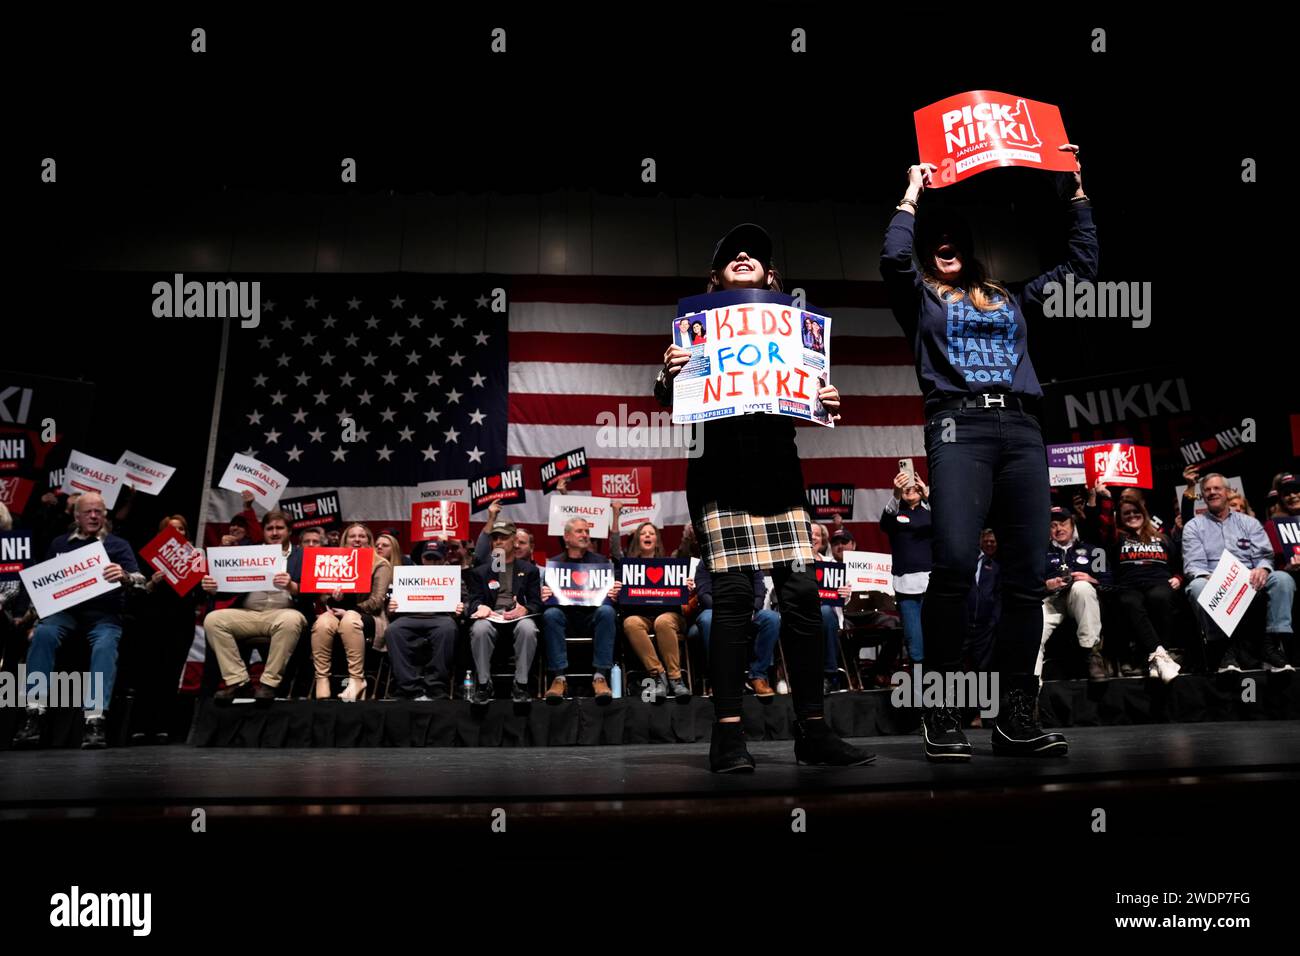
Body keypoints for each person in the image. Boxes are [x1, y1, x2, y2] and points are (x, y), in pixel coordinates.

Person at [881, 146, 1093, 760]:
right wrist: (912, 194)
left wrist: (1075, 195)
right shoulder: (920, 297)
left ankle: (1014, 718)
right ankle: (943, 712)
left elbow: (1082, 267)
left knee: (1026, 579)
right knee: (951, 564)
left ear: (968, 249)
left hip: (1024, 430)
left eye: (955, 238)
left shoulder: (1011, 297)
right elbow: (894, 256)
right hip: (958, 427)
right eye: (935, 239)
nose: (944, 244)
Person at [656, 222, 874, 771]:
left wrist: (823, 396)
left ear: (771, 275)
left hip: (780, 476)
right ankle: (727, 737)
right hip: (720, 476)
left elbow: (811, 399)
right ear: (716, 277)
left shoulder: (794, 331)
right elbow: (673, 399)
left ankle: (814, 732)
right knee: (731, 602)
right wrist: (668, 376)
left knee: (801, 597)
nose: (745, 256)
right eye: (733, 254)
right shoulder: (695, 332)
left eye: (754, 254)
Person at [13, 492, 145, 749]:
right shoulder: (59, 544)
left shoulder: (118, 545)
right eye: (88, 512)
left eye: (99, 511)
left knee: (105, 644)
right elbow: (44, 587)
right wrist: (32, 619)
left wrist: (125, 576)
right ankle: (33, 714)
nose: (94, 516)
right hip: (66, 613)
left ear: (105, 515)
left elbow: (142, 585)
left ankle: (95, 719)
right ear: (76, 516)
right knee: (43, 634)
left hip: (103, 614)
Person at [1182, 474, 1294, 672]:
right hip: (1214, 580)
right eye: (1207, 490)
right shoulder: (1194, 526)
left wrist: (1262, 568)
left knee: (1282, 579)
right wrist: (1214, 579)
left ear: (1228, 492)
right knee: (1197, 587)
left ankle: (1271, 645)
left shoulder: (1249, 523)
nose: (1212, 492)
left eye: (1217, 488)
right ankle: (1223, 649)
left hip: (1249, 579)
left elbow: (1264, 556)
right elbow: (1194, 565)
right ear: (1203, 496)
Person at [200, 509, 312, 701]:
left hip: (283, 614)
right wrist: (212, 587)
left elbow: (313, 591)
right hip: (249, 614)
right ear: (264, 531)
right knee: (213, 620)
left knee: (291, 619)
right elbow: (226, 588)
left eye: (279, 528)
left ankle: (268, 684)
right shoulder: (248, 552)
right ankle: (238, 681)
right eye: (270, 528)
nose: (275, 533)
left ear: (289, 530)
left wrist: (292, 586)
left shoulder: (302, 556)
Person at [1085, 486, 1184, 682]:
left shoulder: (1161, 536)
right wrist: (1105, 498)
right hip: (1129, 585)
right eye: (1126, 513)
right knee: (1129, 602)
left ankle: (1156, 659)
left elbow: (1179, 562)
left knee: (1160, 597)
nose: (1131, 516)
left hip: (1158, 582)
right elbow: (1104, 524)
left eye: (1135, 512)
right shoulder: (1118, 536)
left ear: (1143, 513)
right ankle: (1160, 658)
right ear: (1120, 517)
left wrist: (1179, 578)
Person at [609, 511, 691, 701]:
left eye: (651, 533)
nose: (647, 535)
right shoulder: (627, 567)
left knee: (662, 622)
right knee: (630, 623)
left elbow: (686, 548)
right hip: (641, 616)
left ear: (657, 540)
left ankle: (676, 678)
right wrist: (616, 591)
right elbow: (615, 551)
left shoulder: (672, 563)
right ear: (637, 539)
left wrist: (685, 586)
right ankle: (658, 675)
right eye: (643, 533)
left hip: (669, 615)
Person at [539, 518, 621, 703]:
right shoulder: (554, 564)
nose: (585, 535)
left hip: (592, 618)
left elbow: (611, 599)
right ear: (567, 537)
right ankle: (559, 678)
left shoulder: (601, 563)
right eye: (579, 531)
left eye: (587, 531)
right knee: (550, 614)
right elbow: (547, 601)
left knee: (607, 612)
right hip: (565, 619)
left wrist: (614, 594)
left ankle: (600, 677)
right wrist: (544, 595)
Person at [311, 522, 392, 700]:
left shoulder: (380, 564)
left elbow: (377, 601)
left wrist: (352, 609)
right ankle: (322, 678)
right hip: (336, 612)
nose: (357, 540)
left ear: (368, 541)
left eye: (362, 536)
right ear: (345, 541)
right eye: (352, 536)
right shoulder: (334, 561)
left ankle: (357, 680)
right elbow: (323, 597)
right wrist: (334, 598)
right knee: (323, 622)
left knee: (349, 619)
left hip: (370, 616)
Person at [466, 519, 541, 703]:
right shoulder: (482, 572)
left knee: (528, 628)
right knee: (479, 629)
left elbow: (536, 603)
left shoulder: (529, 570)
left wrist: (524, 609)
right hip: (491, 616)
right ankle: (484, 684)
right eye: (495, 538)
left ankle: (521, 685)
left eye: (503, 537)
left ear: (514, 541)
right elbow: (473, 600)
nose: (498, 541)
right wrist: (479, 607)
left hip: (517, 617)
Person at [384, 540, 464, 700]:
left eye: (436, 559)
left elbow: (465, 601)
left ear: (443, 560)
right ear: (422, 558)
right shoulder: (407, 574)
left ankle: (436, 685)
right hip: (408, 617)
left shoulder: (453, 576)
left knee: (448, 629)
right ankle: (407, 686)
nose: (432, 563)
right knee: (393, 630)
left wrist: (460, 608)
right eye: (428, 558)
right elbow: (390, 603)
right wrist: (390, 607)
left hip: (440, 618)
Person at [1036, 505, 1108, 681]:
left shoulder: (1094, 551)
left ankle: (1093, 656)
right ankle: (1029, 696)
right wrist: (1046, 584)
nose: (1059, 528)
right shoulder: (1039, 553)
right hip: (1051, 600)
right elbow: (1029, 584)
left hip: (1080, 598)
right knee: (1033, 633)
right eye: (1053, 525)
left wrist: (1092, 579)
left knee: (1081, 586)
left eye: (1063, 523)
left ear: (1072, 525)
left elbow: (1109, 581)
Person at [881, 470, 932, 667]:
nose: (910, 488)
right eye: (905, 487)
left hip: (932, 586)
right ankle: (921, 694)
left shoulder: (930, 513)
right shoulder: (895, 514)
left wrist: (928, 496)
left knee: (936, 640)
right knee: (916, 645)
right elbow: (885, 524)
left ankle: (941, 692)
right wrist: (895, 493)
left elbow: (948, 526)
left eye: (914, 485)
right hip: (906, 588)